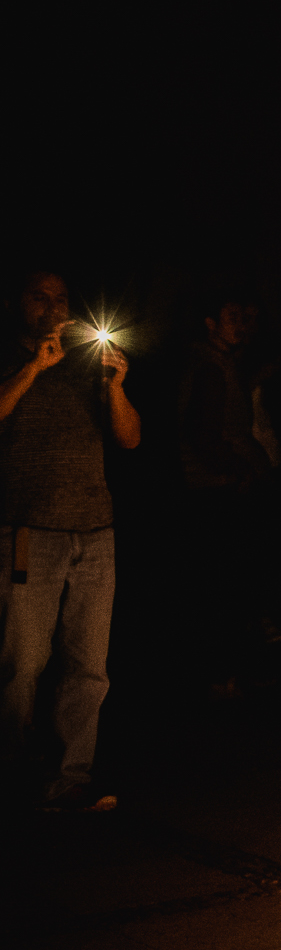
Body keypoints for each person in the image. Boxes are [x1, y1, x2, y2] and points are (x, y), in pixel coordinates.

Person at [0, 269, 141, 809]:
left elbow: (129, 438)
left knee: (88, 665)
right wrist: (35, 365)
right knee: (21, 664)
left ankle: (71, 774)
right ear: (16, 302)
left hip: (94, 529)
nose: (53, 307)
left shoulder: (89, 365)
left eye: (60, 299)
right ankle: (12, 770)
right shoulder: (12, 356)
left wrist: (116, 386)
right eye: (40, 297)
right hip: (30, 528)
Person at [176, 294, 279, 695]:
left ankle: (225, 669)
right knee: (222, 583)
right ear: (209, 323)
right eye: (231, 317)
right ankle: (221, 673)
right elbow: (205, 435)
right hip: (214, 491)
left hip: (216, 487)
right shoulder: (209, 367)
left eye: (242, 316)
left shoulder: (223, 364)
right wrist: (240, 472)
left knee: (226, 582)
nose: (239, 324)